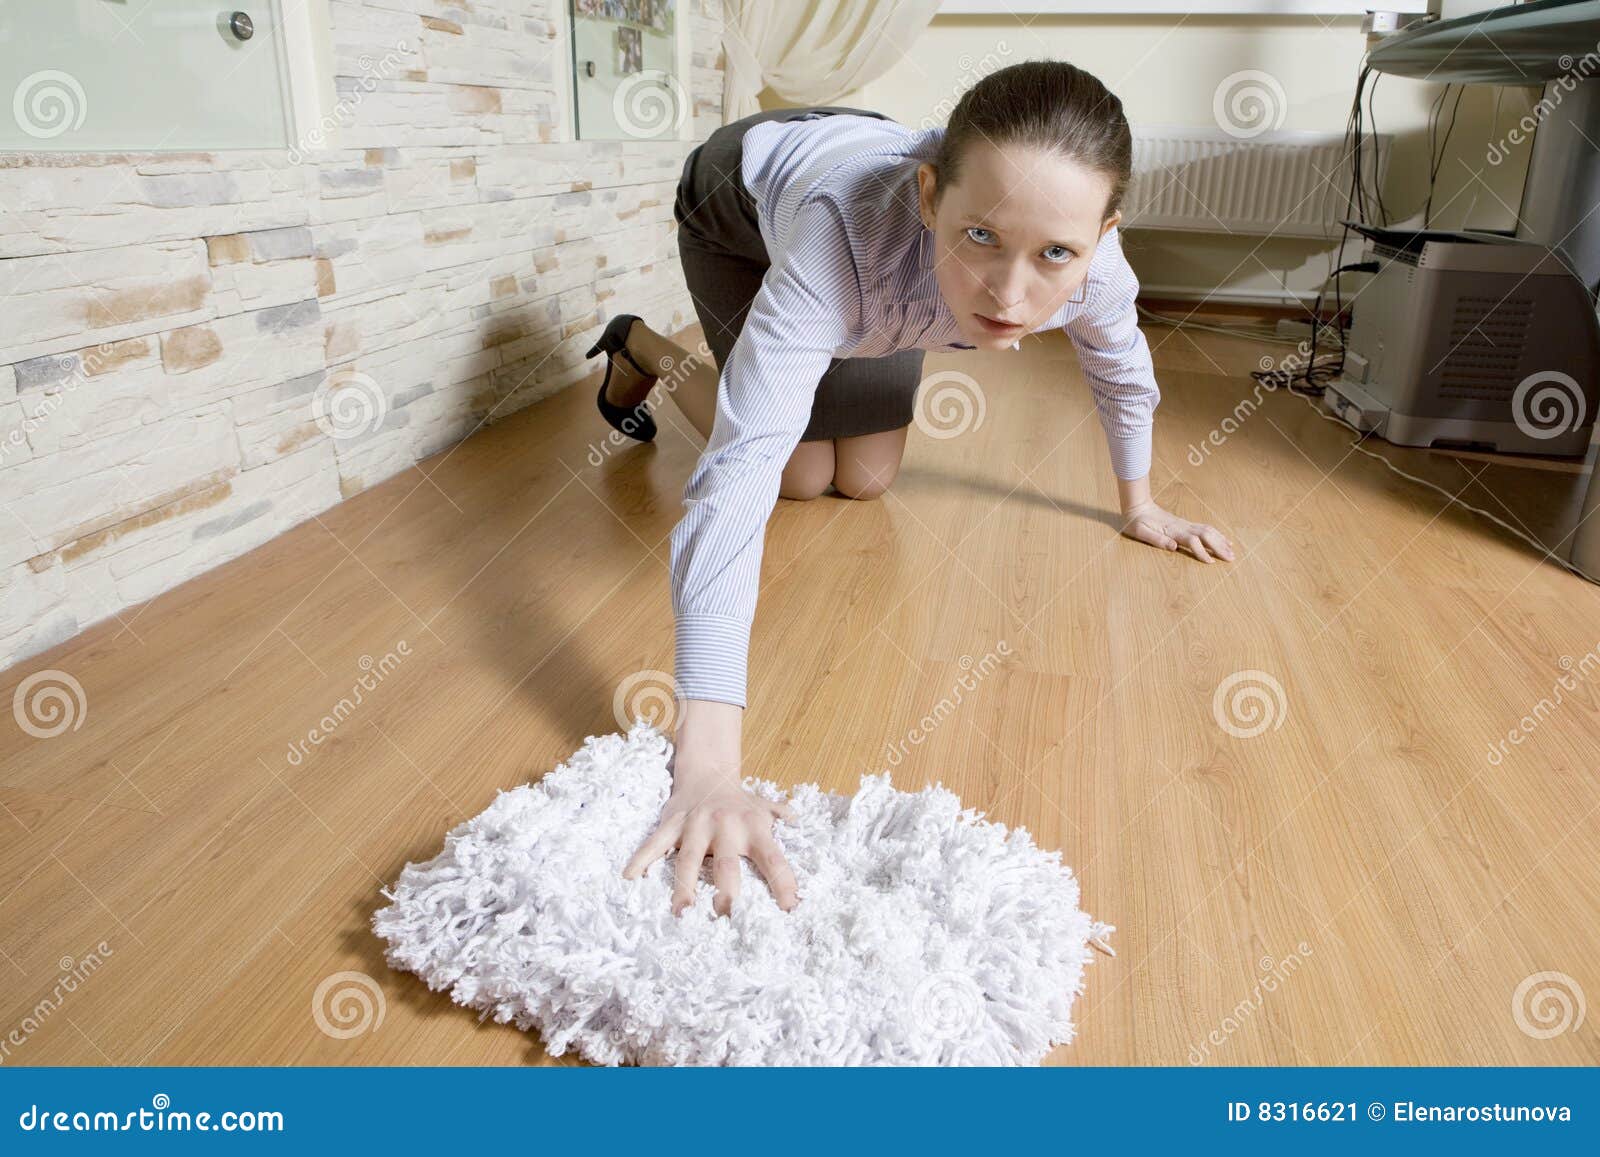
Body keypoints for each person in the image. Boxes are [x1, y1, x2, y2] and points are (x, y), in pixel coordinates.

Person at [585, 59, 1235, 919]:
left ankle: (904, 285)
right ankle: (639, 347)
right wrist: (707, 765)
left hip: (881, 212)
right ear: (929, 197)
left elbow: (1123, 374)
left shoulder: (1098, 270)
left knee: (864, 477)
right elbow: (733, 478)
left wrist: (1140, 505)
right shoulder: (835, 244)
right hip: (740, 201)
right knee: (793, 472)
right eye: (981, 239)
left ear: (1103, 234)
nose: (1011, 297)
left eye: (1055, 254)